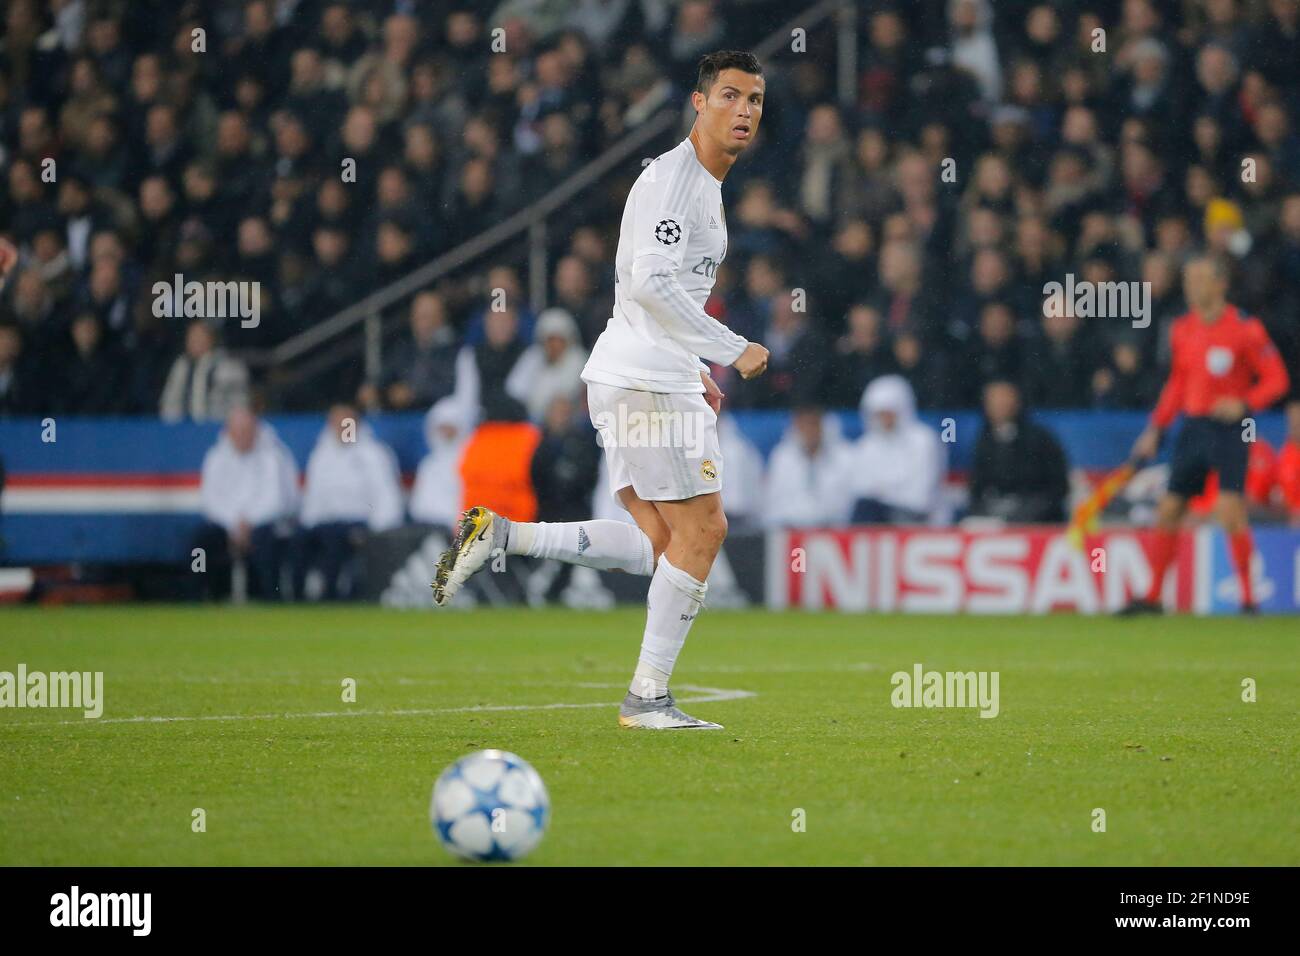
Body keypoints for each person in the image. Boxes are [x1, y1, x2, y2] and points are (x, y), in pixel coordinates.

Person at [432, 51, 771, 729]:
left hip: (636, 372)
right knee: (704, 531)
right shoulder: (676, 181)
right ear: (699, 104)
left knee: (659, 546)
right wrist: (731, 350)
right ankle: (647, 697)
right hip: (643, 379)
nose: (745, 111)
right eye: (730, 96)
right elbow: (650, 282)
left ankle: (502, 537)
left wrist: (690, 365)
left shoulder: (702, 185)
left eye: (756, 100)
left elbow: (652, 293)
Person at [1120, 255, 1290, 614]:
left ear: (1220, 284)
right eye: (1187, 279)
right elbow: (1177, 383)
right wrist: (1156, 428)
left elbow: (1278, 380)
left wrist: (1244, 403)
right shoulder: (1182, 328)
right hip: (1193, 426)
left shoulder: (1246, 328)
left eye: (1199, 279)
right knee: (1169, 509)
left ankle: (1248, 599)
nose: (1191, 286)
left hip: (1235, 428)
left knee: (1230, 510)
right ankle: (1152, 597)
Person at [296, 404, 404, 600]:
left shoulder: (374, 454)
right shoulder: (321, 456)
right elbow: (313, 498)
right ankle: (296, 597)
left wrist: (376, 530)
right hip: (326, 523)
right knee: (301, 539)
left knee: (334, 539)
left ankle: (330, 595)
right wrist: (308, 524)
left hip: (359, 522)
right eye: (337, 423)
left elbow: (386, 495)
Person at [196, 407, 299, 600]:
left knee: (265, 541)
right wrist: (234, 525)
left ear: (256, 430)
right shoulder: (216, 457)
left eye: (246, 431)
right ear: (229, 432)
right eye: (238, 431)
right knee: (199, 546)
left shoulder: (273, 456)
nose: (242, 436)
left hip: (264, 524)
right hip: (227, 525)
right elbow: (209, 500)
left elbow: (275, 500)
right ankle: (204, 596)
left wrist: (248, 523)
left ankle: (269, 597)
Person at [968, 380, 1069, 523]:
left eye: (1004, 397)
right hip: (994, 513)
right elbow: (976, 488)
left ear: (1018, 401)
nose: (999, 404)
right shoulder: (983, 441)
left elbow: (1058, 487)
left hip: (1037, 516)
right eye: (994, 399)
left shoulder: (1040, 438)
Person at [848, 375, 945, 524]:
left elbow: (921, 497)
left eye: (889, 412)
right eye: (880, 413)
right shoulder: (865, 446)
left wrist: (883, 493)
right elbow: (860, 490)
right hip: (877, 518)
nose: (885, 419)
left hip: (917, 518)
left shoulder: (924, 441)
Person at [764, 405, 854, 527]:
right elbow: (772, 503)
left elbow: (849, 503)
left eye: (814, 424)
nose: (809, 430)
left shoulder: (845, 457)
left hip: (834, 528)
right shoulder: (781, 458)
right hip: (791, 528)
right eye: (803, 425)